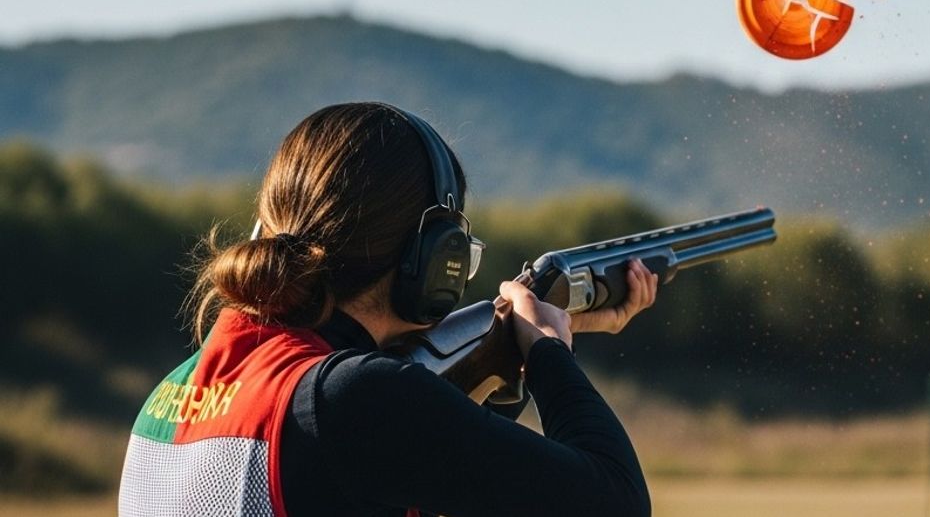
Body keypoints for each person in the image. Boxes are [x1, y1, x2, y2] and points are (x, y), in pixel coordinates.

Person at [117, 103, 657, 517]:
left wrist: (515, 347)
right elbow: (616, 503)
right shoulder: (351, 399)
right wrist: (548, 353)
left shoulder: (171, 396)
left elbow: (426, 452)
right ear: (435, 256)